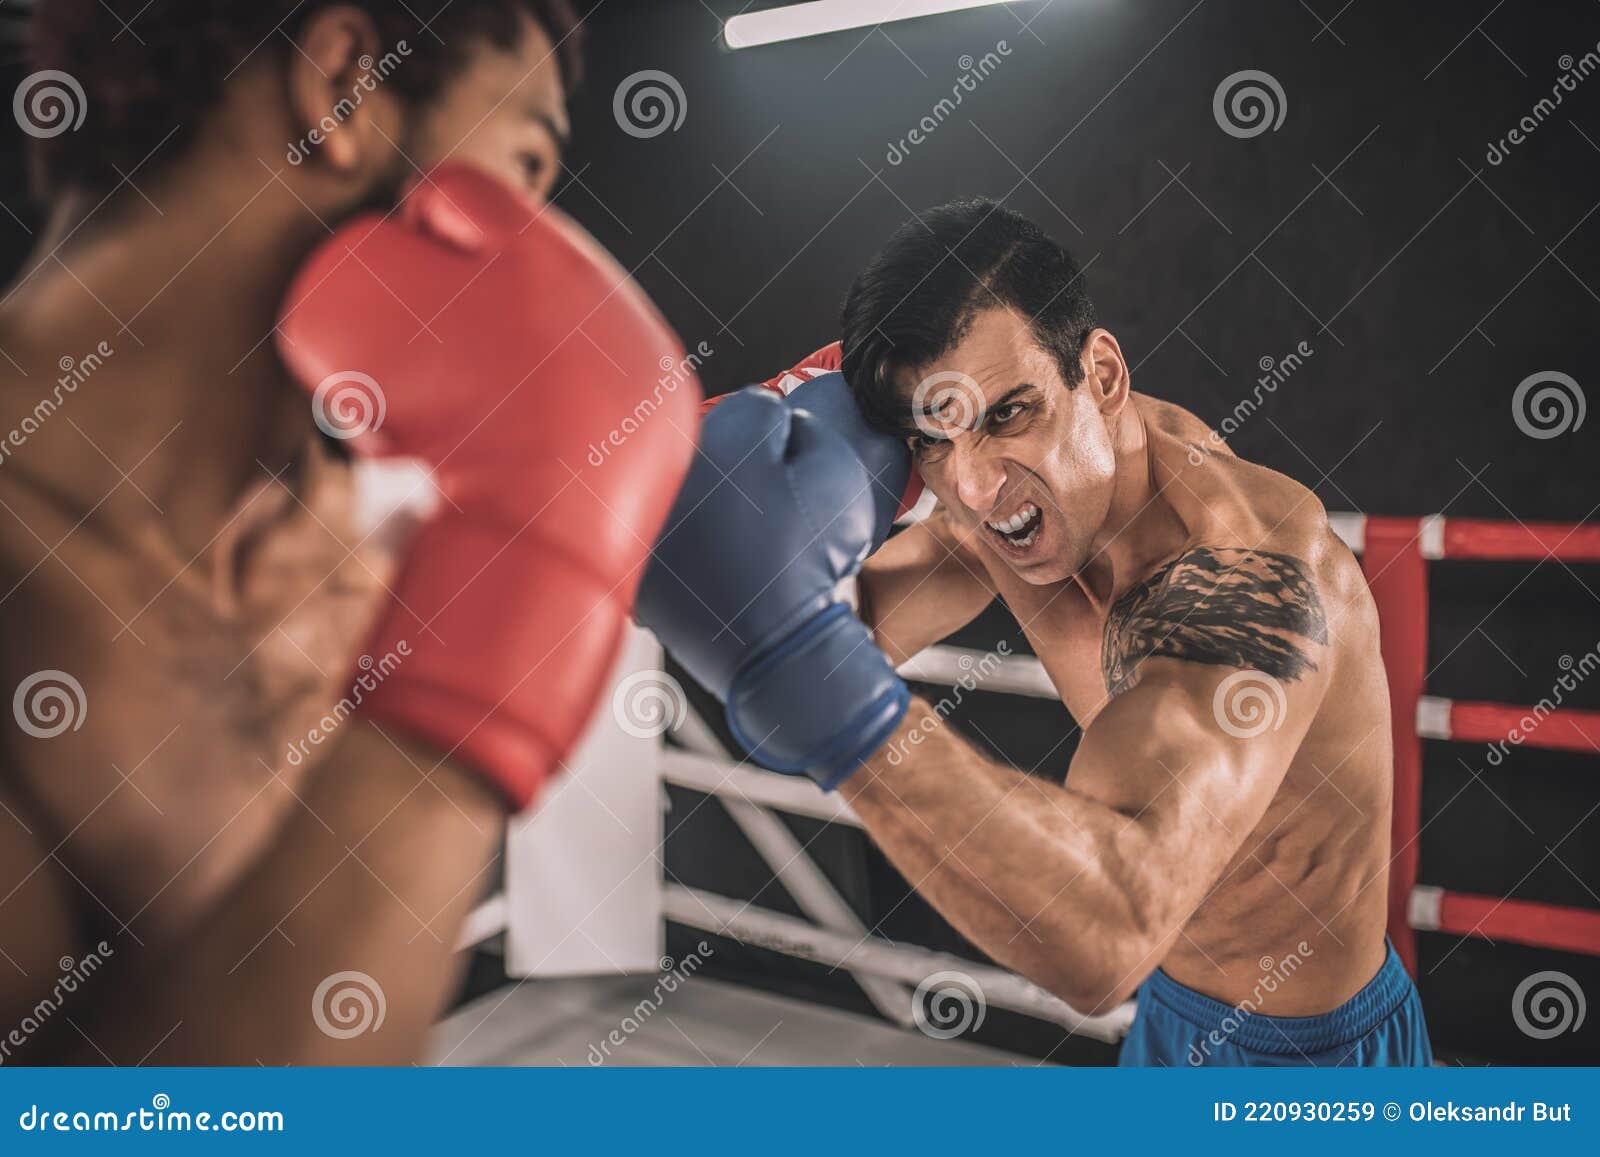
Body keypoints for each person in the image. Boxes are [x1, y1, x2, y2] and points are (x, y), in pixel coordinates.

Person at [0, 0, 697, 1064]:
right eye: (524, 158)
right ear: (346, 83)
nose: (543, 232)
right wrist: (506, 620)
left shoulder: (342, 556)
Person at [639, 199, 1433, 1066]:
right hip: (1168, 1017)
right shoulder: (1010, 514)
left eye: (1009, 414)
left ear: (1100, 374)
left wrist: (806, 666)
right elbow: (821, 642)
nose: (974, 486)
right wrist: (669, 532)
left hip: (1311, 1061)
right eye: (930, 441)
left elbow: (1110, 932)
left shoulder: (1255, 580)